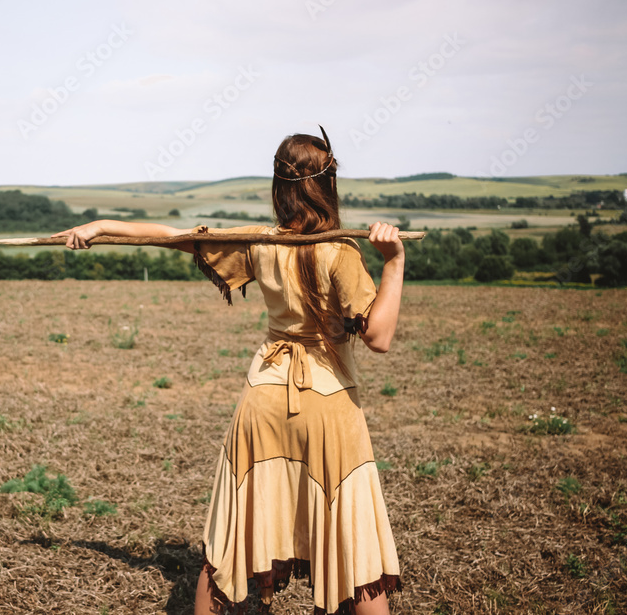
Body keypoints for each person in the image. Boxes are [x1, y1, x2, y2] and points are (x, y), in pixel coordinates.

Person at [53, 127, 404, 615]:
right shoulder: (340, 252)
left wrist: (99, 225)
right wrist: (394, 262)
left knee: (231, 539)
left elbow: (175, 236)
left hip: (263, 400)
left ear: (279, 187)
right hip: (330, 408)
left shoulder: (258, 243)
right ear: (328, 186)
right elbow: (380, 336)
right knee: (356, 544)